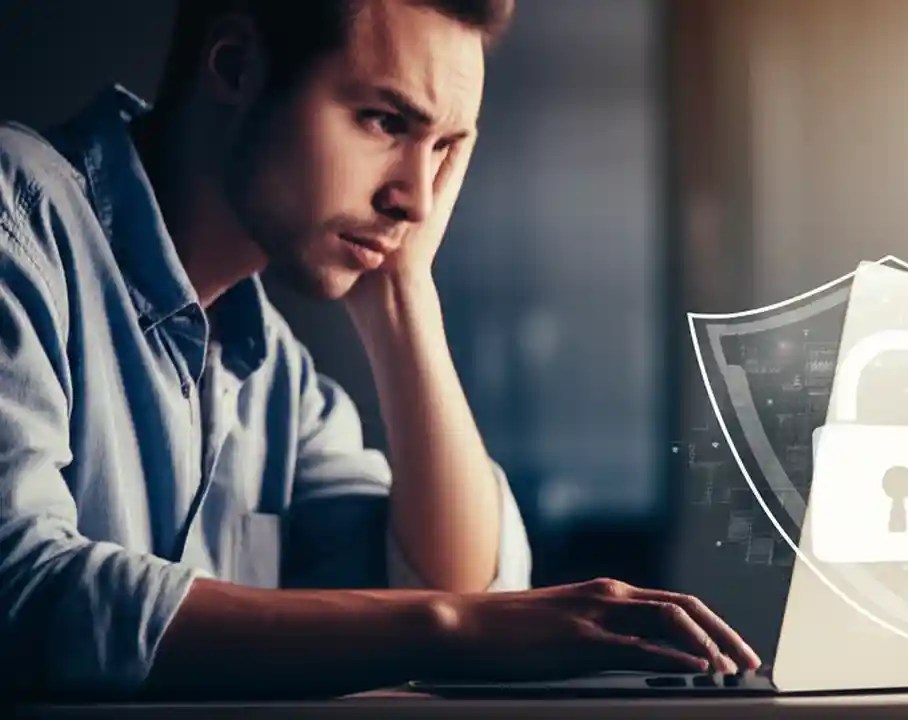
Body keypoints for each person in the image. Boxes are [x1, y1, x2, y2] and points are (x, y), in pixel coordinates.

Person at [0, 0, 760, 700]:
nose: (417, 199)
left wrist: (404, 294)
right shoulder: (19, 217)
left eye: (446, 149)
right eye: (386, 122)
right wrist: (449, 630)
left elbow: (453, 585)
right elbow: (24, 593)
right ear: (235, 67)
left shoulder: (275, 380)